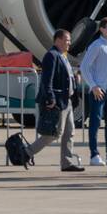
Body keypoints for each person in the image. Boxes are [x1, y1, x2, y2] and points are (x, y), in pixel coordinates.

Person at [27, 29, 83, 171]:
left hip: (67, 101)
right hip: (57, 102)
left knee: (70, 132)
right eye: (67, 40)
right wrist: (50, 98)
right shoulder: (51, 55)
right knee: (54, 134)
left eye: (69, 40)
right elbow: (47, 79)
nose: (69, 43)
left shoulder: (63, 56)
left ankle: (67, 162)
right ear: (58, 40)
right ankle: (26, 152)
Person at [79, 18, 107, 167]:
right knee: (95, 122)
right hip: (98, 89)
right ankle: (94, 154)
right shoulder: (96, 45)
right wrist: (93, 86)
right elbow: (84, 66)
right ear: (102, 29)